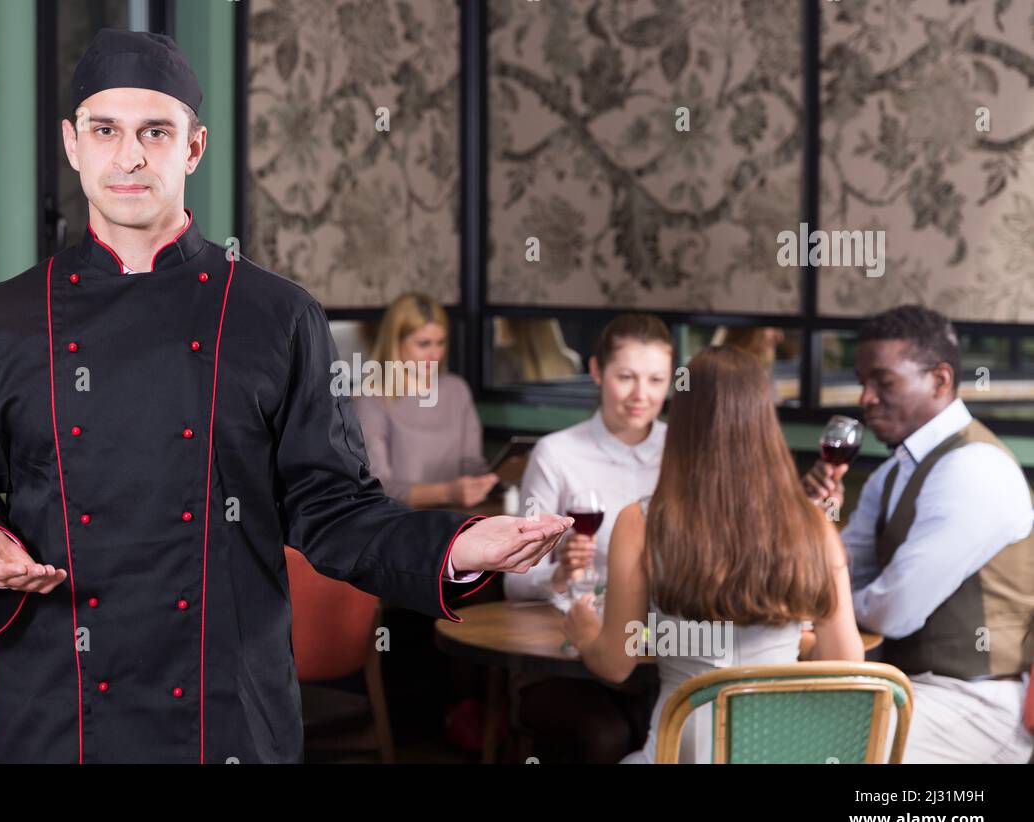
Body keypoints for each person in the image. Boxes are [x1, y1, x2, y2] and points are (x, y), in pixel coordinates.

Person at [0, 29, 572, 763]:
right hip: (60, 706)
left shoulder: (275, 314)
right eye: (105, 131)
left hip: (224, 710)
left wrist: (454, 546)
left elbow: (333, 506)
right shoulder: (3, 320)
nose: (129, 156)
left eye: (155, 132)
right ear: (72, 143)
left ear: (192, 148)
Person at [564, 345, 864, 763]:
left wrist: (583, 633)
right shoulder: (814, 525)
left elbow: (616, 663)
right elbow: (846, 665)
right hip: (789, 752)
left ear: (682, 423)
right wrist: (794, 641)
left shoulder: (641, 521)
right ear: (765, 418)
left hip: (682, 752)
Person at [802, 305, 1034, 763]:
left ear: (940, 380)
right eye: (862, 382)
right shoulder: (889, 474)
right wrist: (814, 520)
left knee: (805, 745)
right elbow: (834, 578)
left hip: (975, 702)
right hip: (904, 685)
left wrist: (831, 609)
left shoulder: (975, 469)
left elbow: (894, 610)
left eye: (883, 383)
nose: (865, 398)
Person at [504, 313, 673, 763]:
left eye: (656, 379)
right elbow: (514, 580)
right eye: (626, 377)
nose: (642, 395)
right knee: (607, 735)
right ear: (597, 371)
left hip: (661, 653)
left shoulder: (681, 452)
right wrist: (559, 574)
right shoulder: (557, 454)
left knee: (659, 730)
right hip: (567, 657)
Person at [356, 292, 497, 509]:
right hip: (399, 523)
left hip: (459, 518)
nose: (435, 354)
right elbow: (377, 486)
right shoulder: (371, 398)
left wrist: (485, 482)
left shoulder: (456, 389)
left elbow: (472, 464)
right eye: (423, 344)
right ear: (395, 343)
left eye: (440, 343)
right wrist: (448, 493)